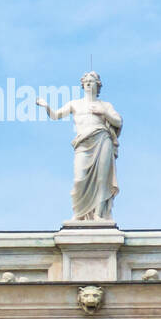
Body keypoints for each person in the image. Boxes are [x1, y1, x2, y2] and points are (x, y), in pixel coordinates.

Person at [36, 72, 122, 222]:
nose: (89, 83)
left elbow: (118, 122)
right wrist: (46, 106)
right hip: (83, 144)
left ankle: (98, 214)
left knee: (101, 180)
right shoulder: (75, 104)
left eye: (92, 81)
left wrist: (104, 113)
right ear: (82, 85)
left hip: (102, 140)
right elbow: (56, 115)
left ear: (98, 85)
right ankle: (79, 214)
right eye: (86, 81)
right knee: (79, 179)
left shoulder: (105, 105)